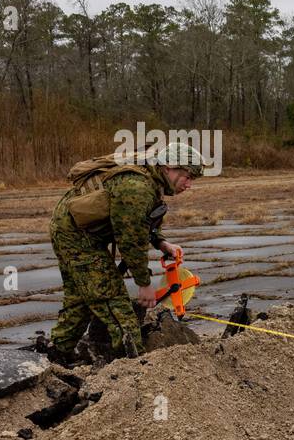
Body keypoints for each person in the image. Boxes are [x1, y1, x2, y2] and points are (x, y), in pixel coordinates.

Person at [48, 142, 207, 363]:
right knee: (113, 301)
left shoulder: (151, 179)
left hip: (74, 231)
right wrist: (144, 284)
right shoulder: (138, 186)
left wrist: (161, 242)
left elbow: (142, 221)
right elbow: (130, 239)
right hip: (76, 238)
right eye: (187, 177)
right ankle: (133, 367)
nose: (189, 185)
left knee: (81, 300)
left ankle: (56, 355)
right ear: (169, 167)